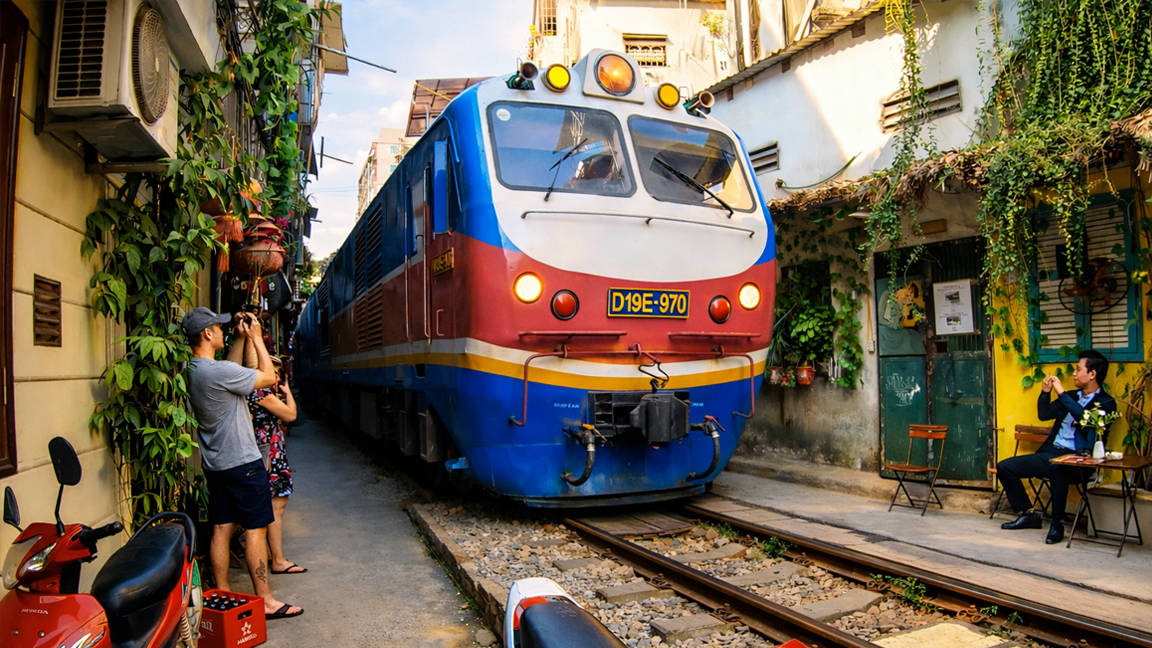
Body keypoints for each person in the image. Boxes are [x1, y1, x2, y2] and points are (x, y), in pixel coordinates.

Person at [183, 307, 304, 619]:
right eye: (219, 328)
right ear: (207, 334)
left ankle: (222, 594)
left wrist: (238, 339)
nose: (224, 331)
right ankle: (265, 599)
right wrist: (256, 338)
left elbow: (230, 368)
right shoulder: (218, 373)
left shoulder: (195, 370)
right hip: (244, 463)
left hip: (216, 465)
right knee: (256, 528)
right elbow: (267, 376)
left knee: (221, 528)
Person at [997, 350, 1117, 544]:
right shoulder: (1070, 396)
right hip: (1051, 454)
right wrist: (1045, 393)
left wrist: (1061, 393)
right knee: (1005, 467)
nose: (1074, 374)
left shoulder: (1105, 403)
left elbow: (1085, 419)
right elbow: (1043, 414)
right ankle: (1029, 514)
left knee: (1057, 470)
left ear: (1092, 374)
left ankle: (1057, 523)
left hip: (1080, 460)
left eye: (1078, 369)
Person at [238, 349, 305, 575]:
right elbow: (291, 415)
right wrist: (287, 393)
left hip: (264, 453)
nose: (277, 379)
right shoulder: (263, 395)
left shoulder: (250, 394)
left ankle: (272, 555)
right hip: (270, 457)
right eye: (274, 374)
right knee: (277, 504)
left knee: (271, 505)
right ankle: (278, 559)